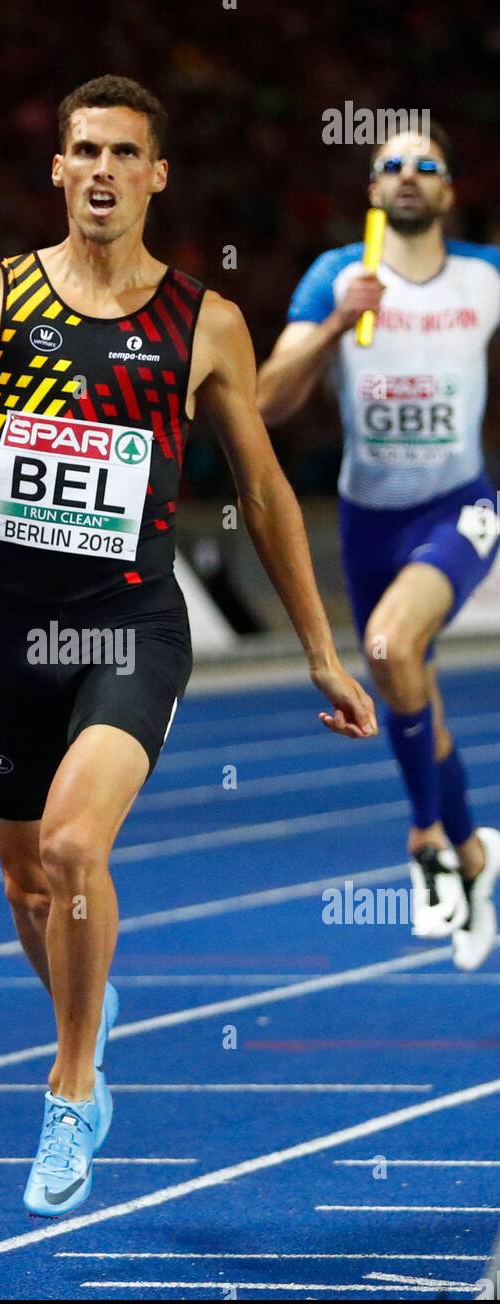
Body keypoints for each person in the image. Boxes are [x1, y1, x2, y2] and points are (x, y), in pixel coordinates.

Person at [0, 74, 376, 1217]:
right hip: (14, 634)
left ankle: (73, 1090)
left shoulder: (203, 323)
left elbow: (262, 496)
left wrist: (320, 648)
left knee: (70, 846)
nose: (101, 170)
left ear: (157, 175)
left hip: (131, 628)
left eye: (123, 153)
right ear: (57, 170)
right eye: (83, 152)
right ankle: (84, 1000)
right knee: (24, 884)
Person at [257, 121, 500, 971]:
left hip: (459, 507)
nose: (406, 174)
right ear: (371, 190)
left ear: (447, 191)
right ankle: (474, 853)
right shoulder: (336, 277)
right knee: (405, 679)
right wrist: (335, 326)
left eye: (425, 164)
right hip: (369, 519)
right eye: (388, 164)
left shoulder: (484, 275)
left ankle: (428, 835)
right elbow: (264, 402)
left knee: (392, 647)